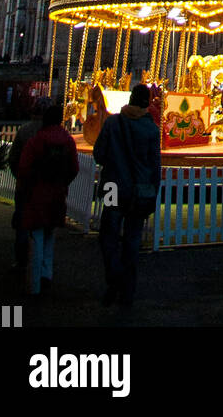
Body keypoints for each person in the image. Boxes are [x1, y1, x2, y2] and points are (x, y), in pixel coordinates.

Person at [93, 82, 162, 307]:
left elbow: (99, 154)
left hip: (114, 187)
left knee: (109, 234)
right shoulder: (152, 129)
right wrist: (153, 191)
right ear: (148, 103)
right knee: (132, 239)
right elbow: (155, 165)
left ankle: (113, 277)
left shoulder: (113, 123)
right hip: (138, 191)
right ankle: (128, 291)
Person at [17, 102, 79, 298]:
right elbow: (74, 168)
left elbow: (24, 168)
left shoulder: (37, 141)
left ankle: (34, 282)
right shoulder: (68, 140)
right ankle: (47, 274)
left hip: (37, 194)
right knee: (49, 235)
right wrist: (63, 182)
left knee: (36, 237)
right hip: (57, 193)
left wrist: (26, 187)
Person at [8, 95, 52, 272]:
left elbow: (13, 158)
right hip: (46, 186)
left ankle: (21, 260)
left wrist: (19, 176)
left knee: (22, 224)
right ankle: (43, 266)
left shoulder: (24, 131)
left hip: (25, 184)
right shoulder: (54, 133)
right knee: (46, 226)